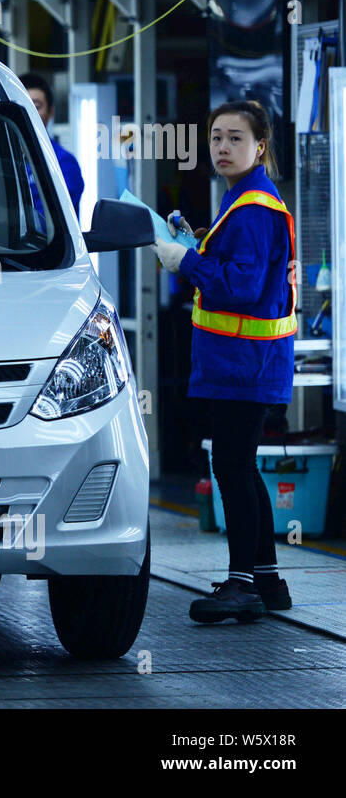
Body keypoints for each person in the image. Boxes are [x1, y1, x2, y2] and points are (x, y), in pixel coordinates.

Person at [153, 100, 295, 623]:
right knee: (241, 464)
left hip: (243, 364)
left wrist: (186, 261)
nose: (223, 147)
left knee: (232, 466)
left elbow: (242, 287)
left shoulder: (254, 206)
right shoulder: (242, 200)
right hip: (246, 362)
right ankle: (266, 579)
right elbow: (239, 271)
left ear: (260, 145)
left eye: (235, 138)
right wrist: (194, 246)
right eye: (216, 138)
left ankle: (241, 586)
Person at [20, 72, 84, 216]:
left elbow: (52, 220)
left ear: (50, 113)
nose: (28, 112)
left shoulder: (63, 163)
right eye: (22, 105)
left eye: (36, 106)